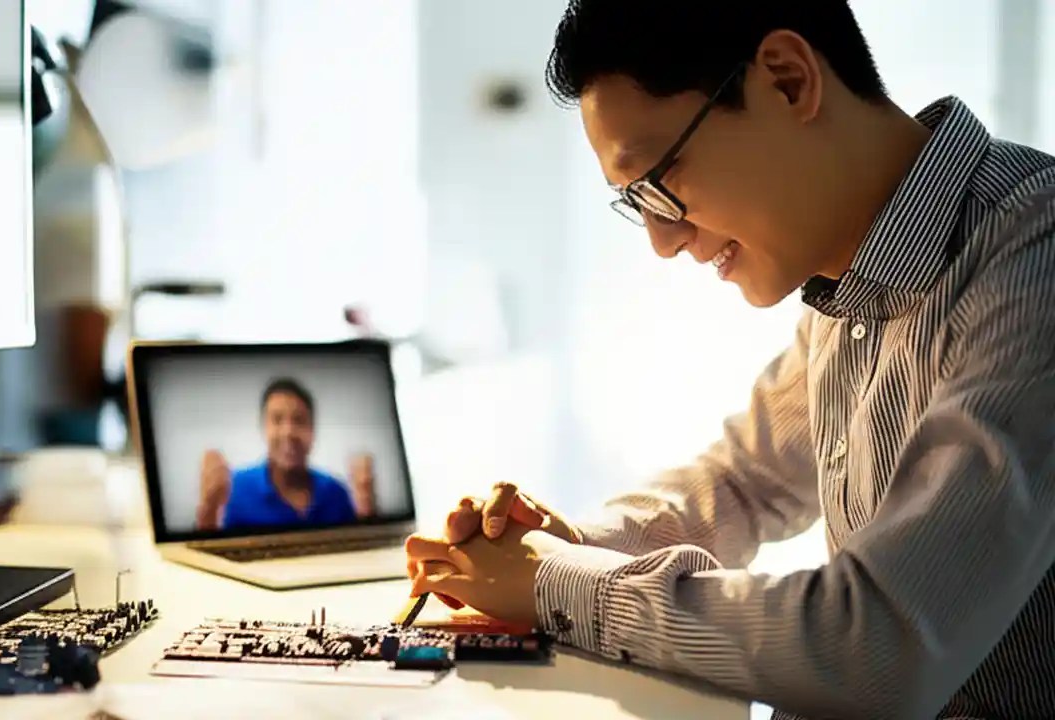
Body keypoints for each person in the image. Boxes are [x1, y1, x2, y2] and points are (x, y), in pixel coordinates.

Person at [404, 2, 1055, 719]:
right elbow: (743, 485)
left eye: (658, 181)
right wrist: (556, 543)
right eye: (635, 204)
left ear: (785, 80)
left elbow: (878, 646)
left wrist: (556, 584)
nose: (661, 240)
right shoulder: (850, 282)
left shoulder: (1034, 260)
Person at [196, 377, 375, 530]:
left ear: (312, 430)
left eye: (299, 420)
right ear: (263, 428)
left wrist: (366, 504)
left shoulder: (336, 492)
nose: (288, 432)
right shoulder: (235, 489)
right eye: (277, 419)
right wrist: (208, 507)